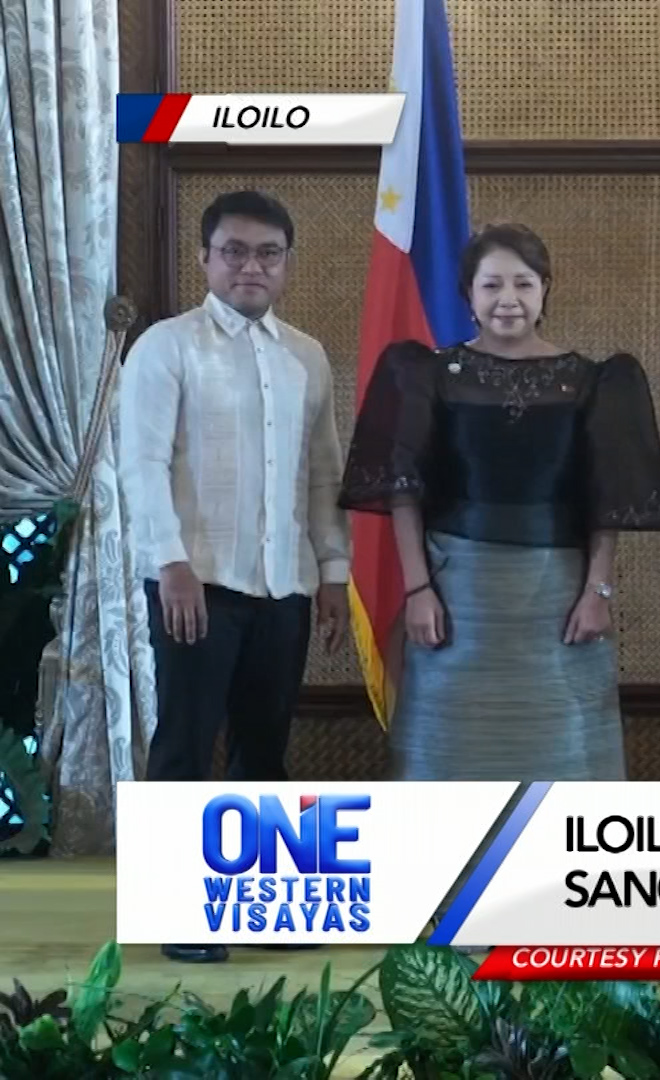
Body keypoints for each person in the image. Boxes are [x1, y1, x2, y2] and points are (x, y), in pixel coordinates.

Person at [338, 223, 660, 781]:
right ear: (468, 294)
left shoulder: (594, 381)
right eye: (492, 286)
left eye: (523, 284)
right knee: (449, 758)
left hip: (560, 599)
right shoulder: (427, 375)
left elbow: (605, 503)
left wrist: (598, 591)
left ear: (545, 291)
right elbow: (403, 493)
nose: (508, 300)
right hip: (454, 595)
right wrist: (417, 590)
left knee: (561, 760)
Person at [120, 190, 352, 963]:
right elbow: (141, 465)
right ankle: (181, 913)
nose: (251, 265)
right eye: (234, 251)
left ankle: (269, 910)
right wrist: (170, 563)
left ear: (287, 264)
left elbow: (323, 476)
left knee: (266, 749)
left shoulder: (307, 356)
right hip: (197, 581)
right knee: (185, 746)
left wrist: (333, 571)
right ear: (205, 259)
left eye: (268, 254)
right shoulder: (166, 346)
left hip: (283, 583)